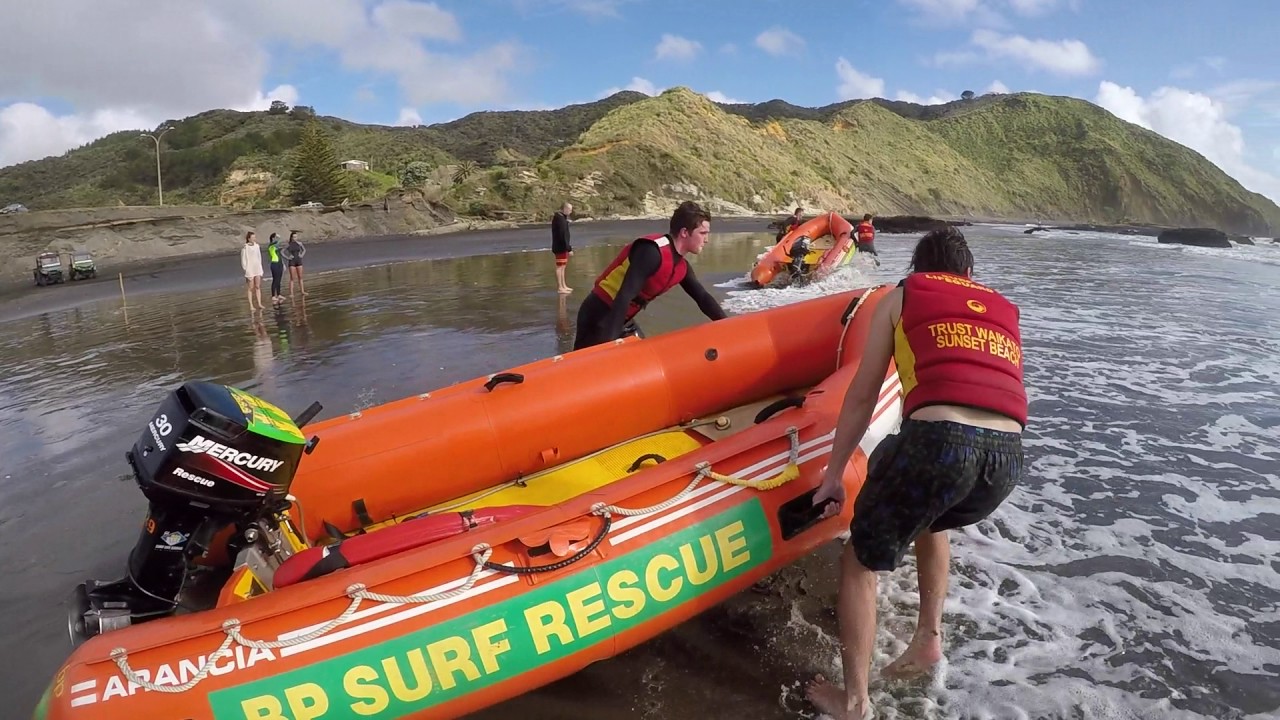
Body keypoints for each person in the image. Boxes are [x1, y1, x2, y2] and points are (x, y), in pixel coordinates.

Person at [804, 227, 1027, 720]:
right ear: (969, 273)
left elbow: (863, 394)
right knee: (934, 516)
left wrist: (833, 474)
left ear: (917, 271)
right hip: (1007, 460)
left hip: (940, 443)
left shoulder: (903, 296)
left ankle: (854, 703)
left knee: (859, 562)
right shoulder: (1002, 308)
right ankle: (928, 638)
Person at [572, 200, 727, 350]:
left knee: (644, 356)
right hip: (599, 314)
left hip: (622, 319)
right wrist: (610, 345)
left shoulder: (682, 267)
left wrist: (727, 325)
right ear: (685, 232)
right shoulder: (652, 251)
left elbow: (702, 298)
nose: (706, 240)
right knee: (588, 363)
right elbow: (624, 295)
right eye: (703, 233)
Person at [552, 201, 574, 294]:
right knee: (560, 267)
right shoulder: (560, 219)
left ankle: (564, 285)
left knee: (563, 267)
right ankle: (560, 287)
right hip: (560, 246)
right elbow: (562, 235)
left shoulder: (562, 218)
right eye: (569, 210)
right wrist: (569, 248)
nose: (570, 212)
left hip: (562, 246)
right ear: (564, 209)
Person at [240, 231, 265, 311]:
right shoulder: (245, 248)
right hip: (250, 269)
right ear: (249, 239)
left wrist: (260, 267)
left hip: (257, 268)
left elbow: (259, 257)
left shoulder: (257, 246)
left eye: (255, 237)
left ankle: (259, 303)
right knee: (251, 287)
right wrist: (246, 269)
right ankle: (251, 305)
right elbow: (243, 260)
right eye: (253, 237)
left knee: (258, 286)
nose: (254, 239)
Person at [285, 230, 307, 296]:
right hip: (292, 261)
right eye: (294, 237)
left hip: (299, 260)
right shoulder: (289, 244)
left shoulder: (299, 243)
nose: (295, 238)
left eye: (296, 237)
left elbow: (304, 250)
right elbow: (282, 251)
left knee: (300, 277)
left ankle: (302, 291)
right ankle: (291, 293)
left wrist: (302, 255)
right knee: (292, 278)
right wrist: (287, 257)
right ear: (291, 237)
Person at [267, 233, 285, 305]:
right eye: (275, 237)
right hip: (274, 264)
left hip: (279, 263)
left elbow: (279, 255)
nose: (277, 238)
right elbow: (277, 242)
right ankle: (273, 296)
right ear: (273, 238)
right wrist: (278, 237)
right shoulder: (271, 245)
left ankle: (279, 294)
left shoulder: (276, 245)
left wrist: (283, 264)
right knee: (275, 279)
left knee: (279, 280)